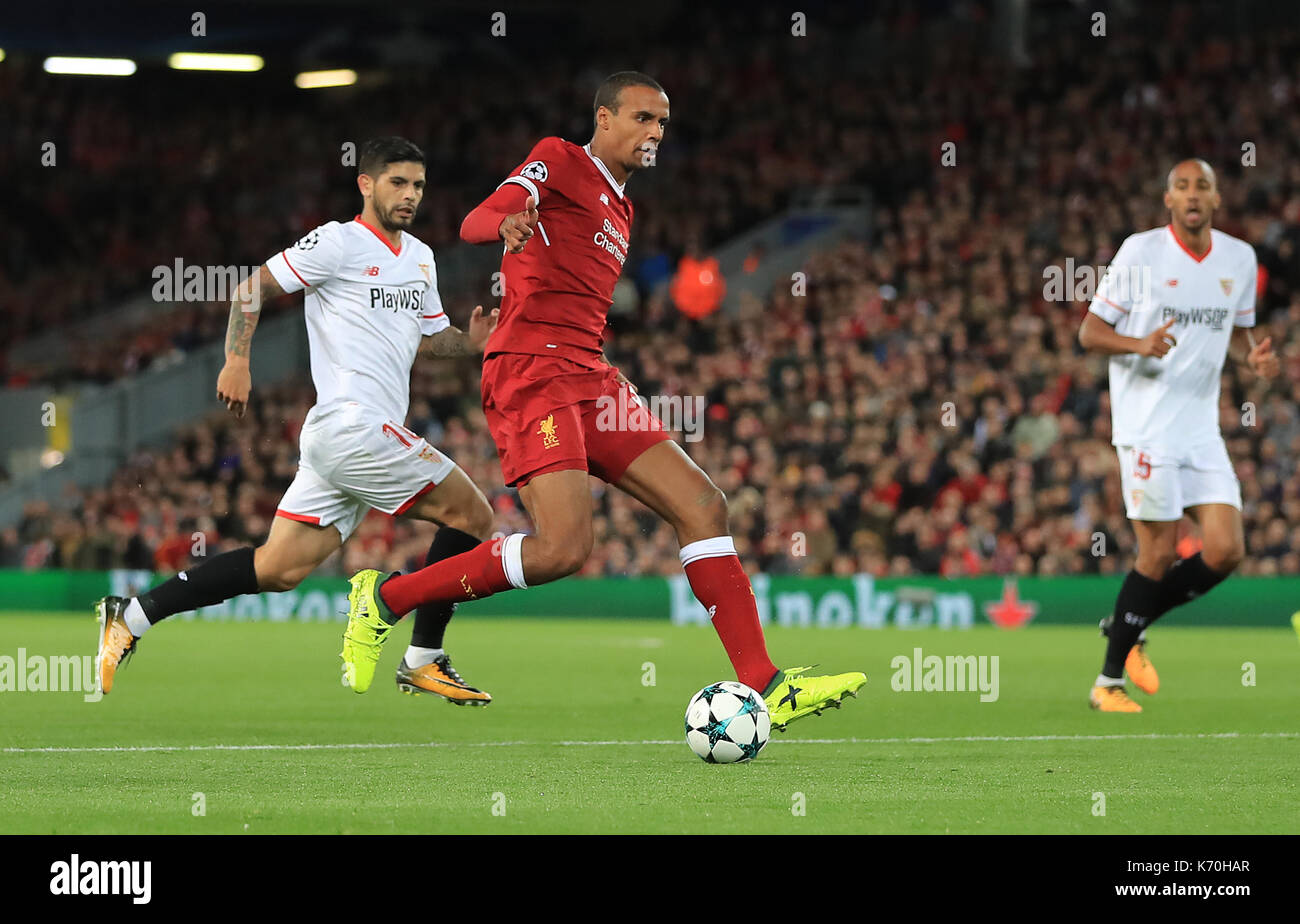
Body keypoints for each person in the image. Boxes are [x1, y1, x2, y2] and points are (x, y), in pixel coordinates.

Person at [338, 73, 865, 729]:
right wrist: (508, 223)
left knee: (703, 504)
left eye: (664, 124)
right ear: (605, 118)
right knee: (562, 549)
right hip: (532, 371)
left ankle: (766, 683)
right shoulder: (559, 159)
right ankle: (386, 598)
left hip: (591, 375)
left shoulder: (623, 207)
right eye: (644, 118)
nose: (655, 134)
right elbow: (477, 219)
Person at [94, 137, 500, 706]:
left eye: (418, 186)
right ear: (366, 183)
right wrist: (237, 359)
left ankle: (132, 616)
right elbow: (251, 288)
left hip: (351, 440)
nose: (410, 195)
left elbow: (430, 340)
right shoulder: (337, 242)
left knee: (279, 568)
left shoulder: (422, 258)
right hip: (352, 425)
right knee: (474, 515)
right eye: (398, 183)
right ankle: (421, 655)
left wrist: (469, 343)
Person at [1078, 158, 1280, 712]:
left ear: (1217, 200)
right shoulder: (1140, 252)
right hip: (1146, 428)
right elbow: (1090, 332)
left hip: (1199, 429)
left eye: (1203, 187)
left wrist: (1254, 358)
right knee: (1159, 550)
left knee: (1225, 549)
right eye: (1182, 187)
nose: (1193, 195)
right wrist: (1139, 345)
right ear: (1168, 200)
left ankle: (1127, 623)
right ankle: (1108, 683)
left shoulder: (1239, 258)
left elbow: (1236, 334)